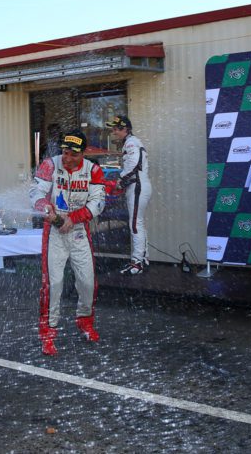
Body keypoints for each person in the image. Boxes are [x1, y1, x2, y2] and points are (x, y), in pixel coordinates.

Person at [29, 130, 106, 356]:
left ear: (83, 153)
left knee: (87, 282)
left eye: (73, 154)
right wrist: (46, 207)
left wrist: (74, 218)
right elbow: (35, 192)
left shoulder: (93, 170)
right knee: (53, 284)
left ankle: (85, 321)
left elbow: (98, 203)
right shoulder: (49, 165)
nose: (67, 157)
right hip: (53, 233)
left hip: (79, 232)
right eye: (64, 152)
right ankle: (48, 334)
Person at [106, 115, 151, 275]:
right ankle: (143, 259)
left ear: (125, 129)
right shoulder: (132, 142)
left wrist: (119, 180)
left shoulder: (131, 142)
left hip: (138, 185)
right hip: (138, 185)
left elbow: (133, 165)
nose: (114, 131)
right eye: (113, 128)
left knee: (135, 224)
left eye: (116, 129)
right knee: (138, 222)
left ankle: (137, 263)